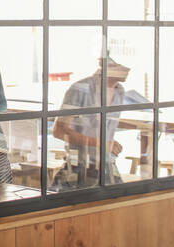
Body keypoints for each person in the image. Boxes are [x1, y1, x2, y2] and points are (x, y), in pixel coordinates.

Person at [52, 55, 149, 190]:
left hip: (107, 166)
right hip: (80, 167)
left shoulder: (120, 91)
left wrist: (144, 125)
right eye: (124, 66)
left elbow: (105, 121)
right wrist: (101, 143)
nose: (128, 70)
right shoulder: (80, 88)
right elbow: (59, 130)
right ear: (108, 66)